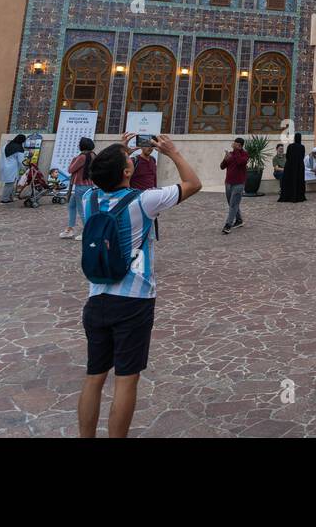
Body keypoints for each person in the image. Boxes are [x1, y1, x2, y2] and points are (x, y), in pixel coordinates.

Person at [77, 134, 202, 438]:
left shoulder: (88, 200)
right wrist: (172, 152)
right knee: (126, 380)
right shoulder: (144, 201)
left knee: (94, 377)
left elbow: (106, 177)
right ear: (126, 172)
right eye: (128, 161)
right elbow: (193, 184)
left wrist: (119, 153)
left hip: (97, 298)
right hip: (133, 299)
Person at [62, 137, 96, 239]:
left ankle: (87, 232)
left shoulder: (82, 157)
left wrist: (73, 160)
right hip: (89, 185)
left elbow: (71, 169)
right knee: (72, 206)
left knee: (82, 210)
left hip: (81, 186)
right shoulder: (93, 155)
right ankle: (70, 229)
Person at [220, 137, 248, 233]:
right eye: (233, 144)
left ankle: (228, 225)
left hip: (239, 184)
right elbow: (222, 167)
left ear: (240, 146)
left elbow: (240, 162)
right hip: (228, 183)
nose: (233, 145)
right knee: (232, 204)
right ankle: (239, 220)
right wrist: (225, 159)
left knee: (233, 204)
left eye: (235, 144)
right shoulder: (231, 154)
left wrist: (236, 152)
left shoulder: (245, 155)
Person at [278, 134, 307, 203]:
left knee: (289, 180)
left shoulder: (290, 146)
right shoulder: (302, 147)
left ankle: (288, 196)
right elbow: (302, 156)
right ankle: (298, 196)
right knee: (298, 180)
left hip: (289, 166)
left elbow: (287, 156)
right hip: (299, 167)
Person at [0, 134, 27, 203]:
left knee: (10, 183)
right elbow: (21, 161)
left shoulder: (6, 145)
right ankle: (4, 199)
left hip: (4, 166)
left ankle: (10, 198)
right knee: (9, 184)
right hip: (12, 168)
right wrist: (25, 168)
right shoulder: (19, 148)